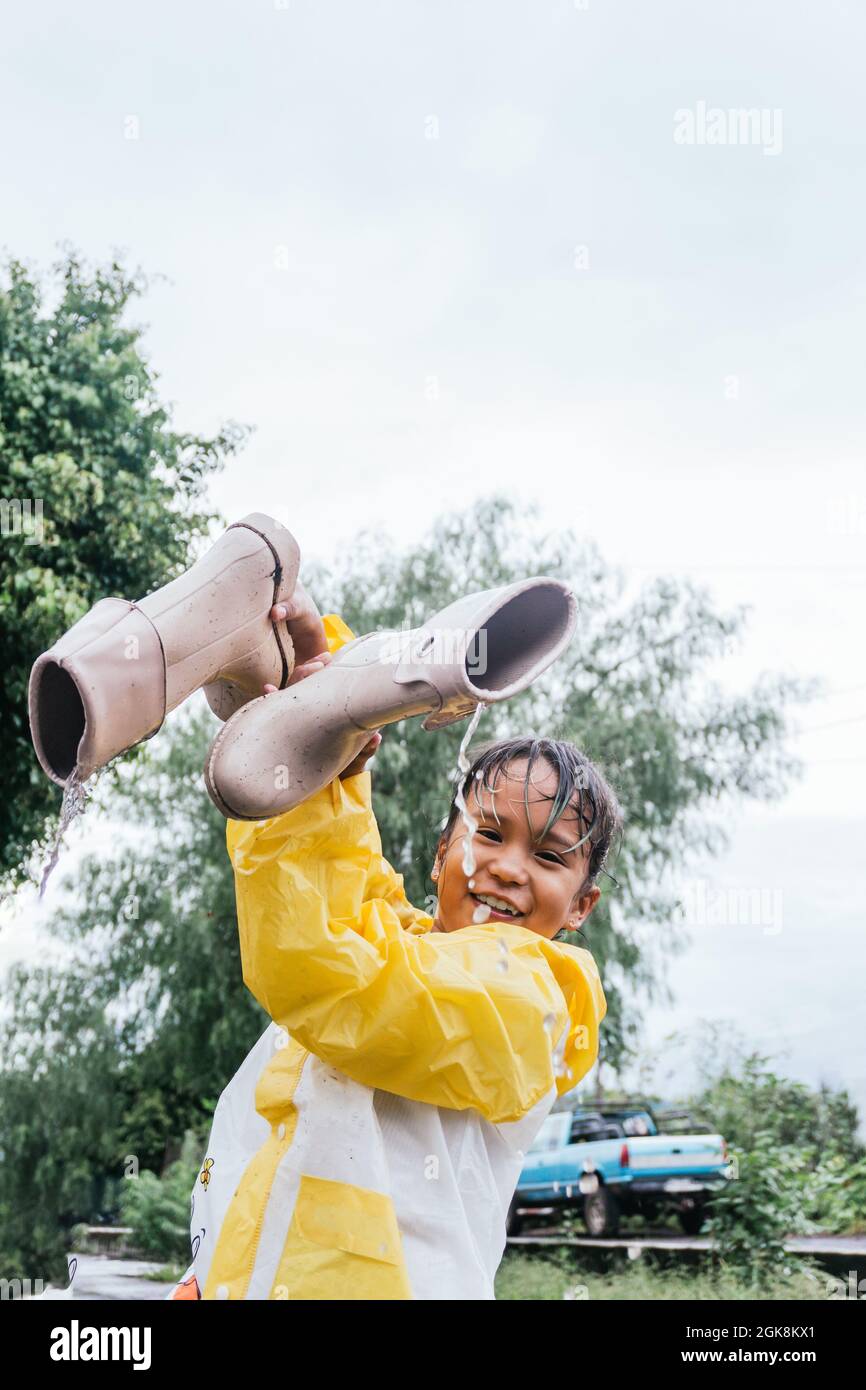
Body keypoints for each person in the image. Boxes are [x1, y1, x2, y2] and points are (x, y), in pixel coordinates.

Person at [168, 584, 622, 1301]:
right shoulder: (389, 940)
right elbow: (336, 892)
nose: (507, 867)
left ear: (581, 906)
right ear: (443, 854)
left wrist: (309, 748)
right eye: (490, 833)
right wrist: (321, 720)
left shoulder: (536, 1002)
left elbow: (334, 972)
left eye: (550, 856)